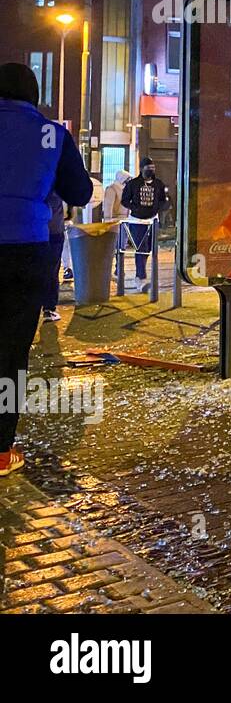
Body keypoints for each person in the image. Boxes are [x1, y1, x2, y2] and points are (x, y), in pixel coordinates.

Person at [0, 63, 93, 477]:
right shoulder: (51, 134)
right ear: (34, 95)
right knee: (12, 348)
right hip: (26, 249)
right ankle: (1, 449)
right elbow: (81, 191)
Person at [121, 157, 170, 292]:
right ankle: (140, 276)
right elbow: (124, 200)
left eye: (153, 168)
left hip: (153, 220)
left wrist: (158, 208)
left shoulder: (158, 184)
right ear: (141, 169)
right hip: (137, 220)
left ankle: (141, 273)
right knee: (140, 247)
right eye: (148, 168)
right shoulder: (133, 184)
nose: (151, 170)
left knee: (149, 248)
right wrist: (135, 208)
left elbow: (164, 200)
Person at [43, 194, 68, 322]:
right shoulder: (58, 182)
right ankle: (49, 309)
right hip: (54, 230)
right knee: (52, 271)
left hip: (34, 231)